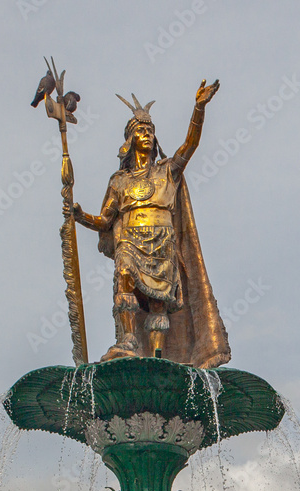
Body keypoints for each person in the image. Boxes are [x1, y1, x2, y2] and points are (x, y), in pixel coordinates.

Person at [73, 81, 230, 369]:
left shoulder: (167, 171)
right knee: (123, 275)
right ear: (130, 140)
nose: (146, 134)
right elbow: (105, 220)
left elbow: (190, 145)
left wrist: (199, 109)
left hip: (161, 240)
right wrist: (80, 215)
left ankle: (158, 356)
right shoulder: (119, 181)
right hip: (129, 240)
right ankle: (128, 341)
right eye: (140, 130)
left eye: (150, 130)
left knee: (159, 302)